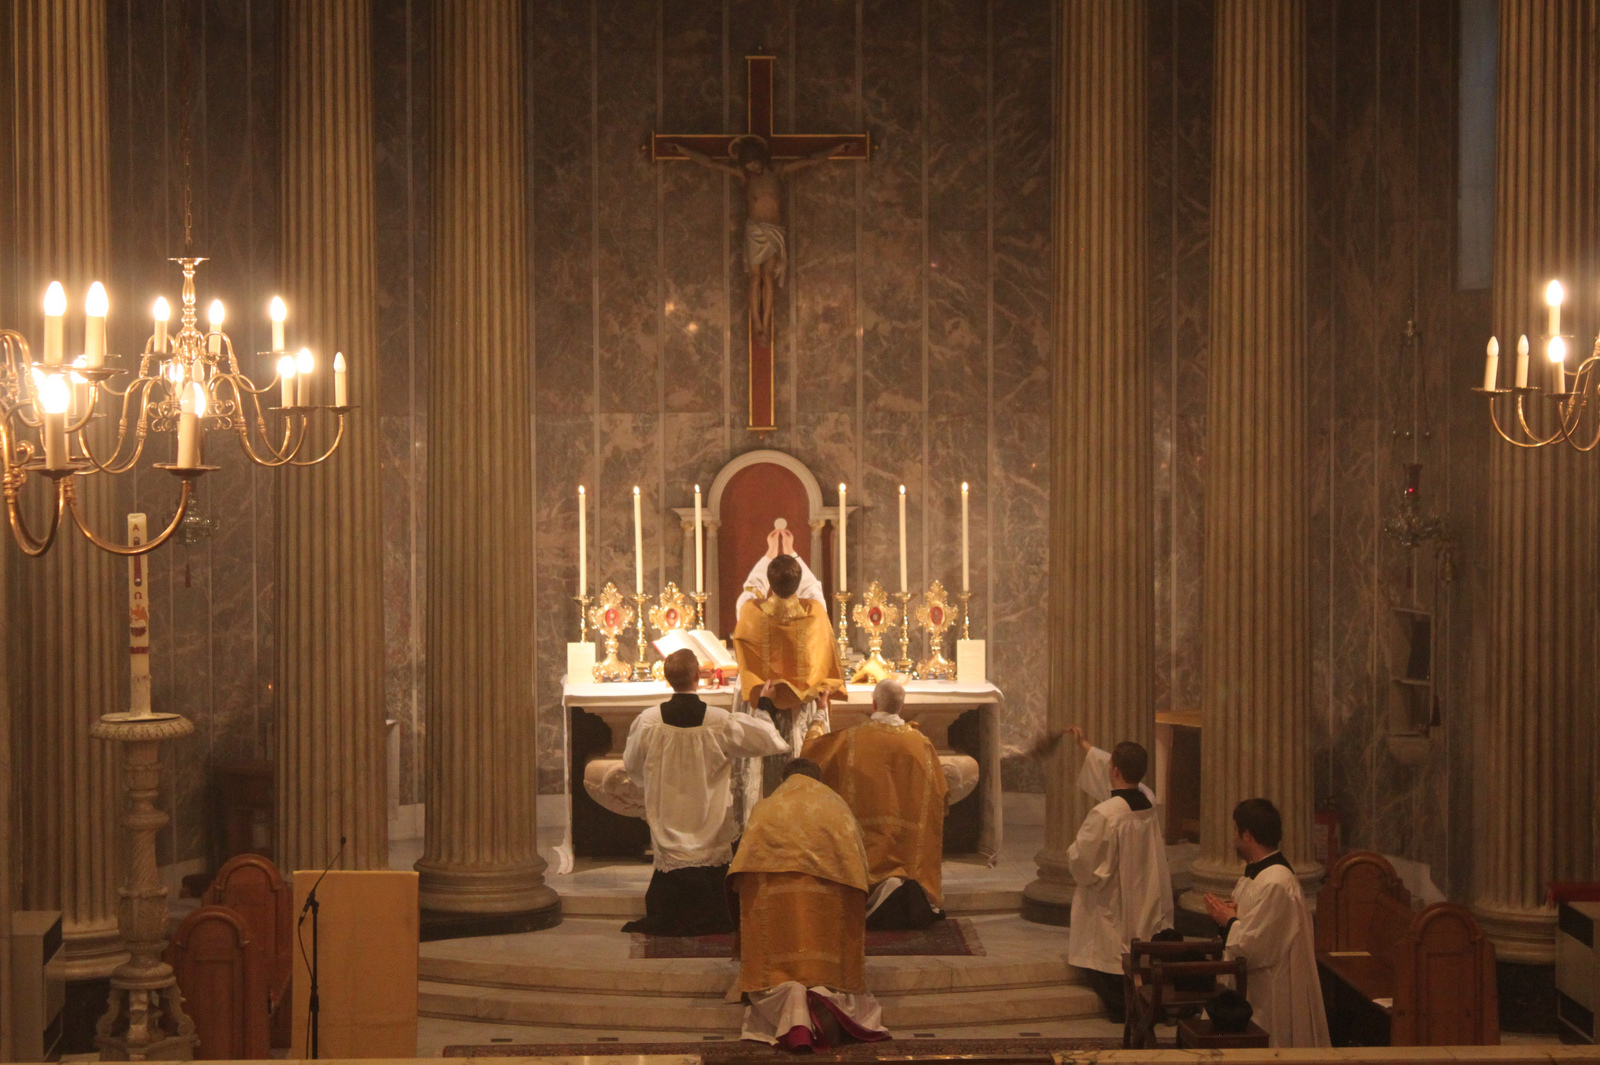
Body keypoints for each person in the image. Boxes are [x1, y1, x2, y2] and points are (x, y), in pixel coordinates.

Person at [620, 649, 790, 936]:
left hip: (667, 816)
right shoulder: (718, 720)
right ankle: (712, 914)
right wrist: (764, 704)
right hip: (709, 817)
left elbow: (632, 765)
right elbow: (765, 739)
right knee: (713, 853)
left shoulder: (648, 721)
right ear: (698, 677)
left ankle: (671, 914)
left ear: (666, 679)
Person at [728, 759, 889, 1050]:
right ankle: (824, 996)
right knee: (829, 966)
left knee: (774, 969)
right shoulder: (837, 806)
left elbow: (741, 865)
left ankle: (792, 1006)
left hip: (775, 899)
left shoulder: (766, 806)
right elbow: (860, 865)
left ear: (784, 778)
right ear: (819, 779)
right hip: (827, 899)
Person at [803, 678, 949, 929]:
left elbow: (811, 753)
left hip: (866, 848)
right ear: (901, 708)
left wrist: (820, 712)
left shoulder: (850, 740)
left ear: (873, 705)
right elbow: (941, 793)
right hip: (906, 850)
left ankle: (871, 892)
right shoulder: (921, 744)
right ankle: (903, 888)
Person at [1063, 726, 1174, 1024]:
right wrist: (1085, 743)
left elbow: (1083, 861)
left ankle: (1124, 1006)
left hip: (1111, 900)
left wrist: (1073, 855)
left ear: (1113, 770)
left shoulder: (1105, 814)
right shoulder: (1148, 803)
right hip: (1143, 891)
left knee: (1105, 952)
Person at [1203, 798, 1331, 1048]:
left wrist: (1228, 920)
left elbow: (1256, 946)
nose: (1233, 839)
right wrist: (1232, 915)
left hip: (1271, 989)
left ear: (1247, 835)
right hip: (1254, 982)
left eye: (1235, 831)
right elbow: (1255, 924)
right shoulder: (1258, 874)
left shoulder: (1276, 882)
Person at [731, 527, 842, 764]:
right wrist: (793, 552)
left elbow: (751, 588)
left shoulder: (750, 612)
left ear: (770, 582)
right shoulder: (815, 612)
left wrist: (769, 554)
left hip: (764, 701)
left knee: (761, 772)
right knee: (799, 766)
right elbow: (813, 588)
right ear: (798, 582)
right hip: (800, 706)